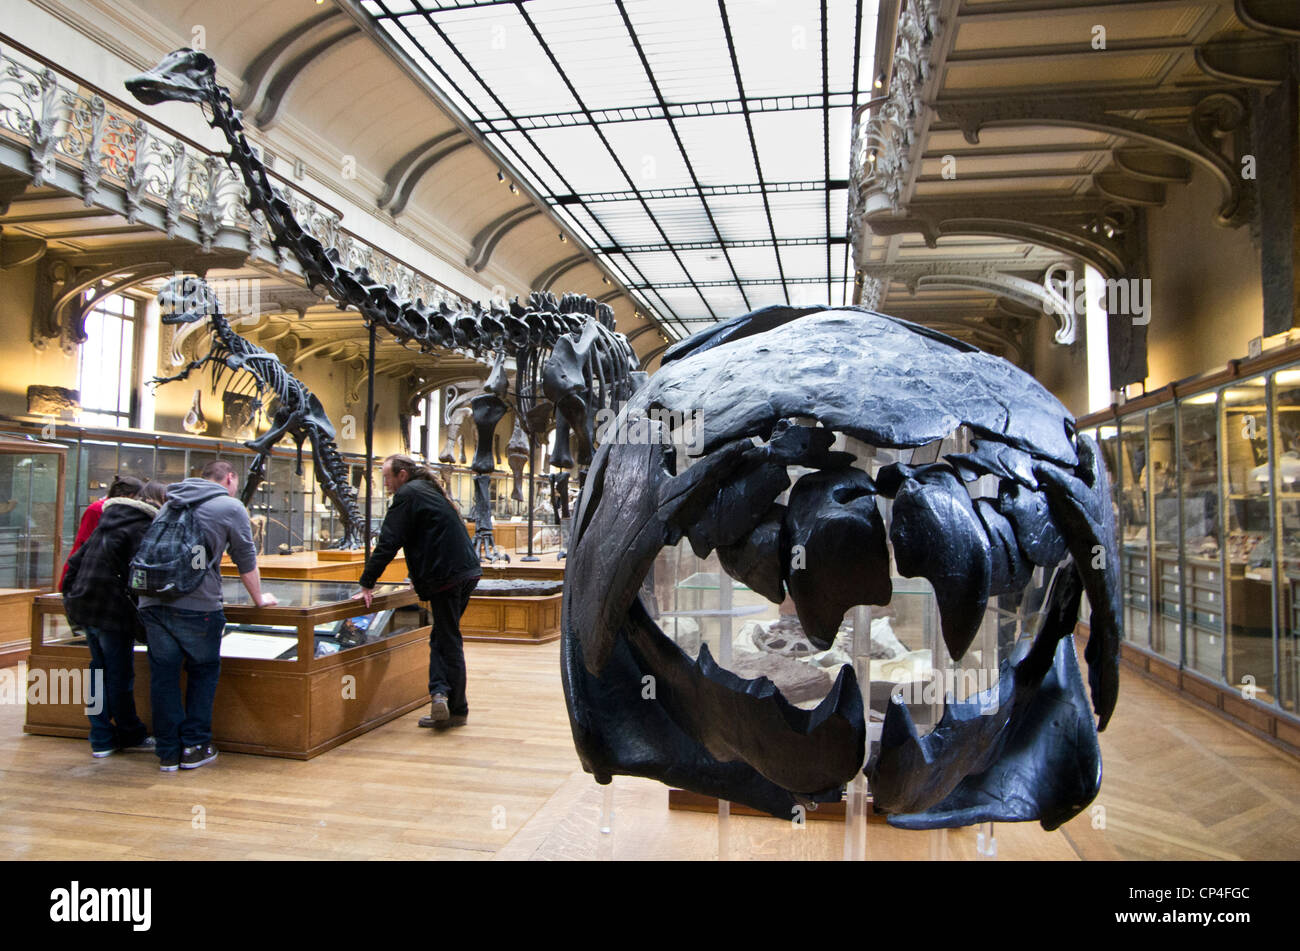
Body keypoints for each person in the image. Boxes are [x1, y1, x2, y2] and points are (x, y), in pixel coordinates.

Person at [137, 460, 276, 772]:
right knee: (202, 671)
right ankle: (195, 746)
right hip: (196, 604)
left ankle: (168, 752)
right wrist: (258, 598)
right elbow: (245, 556)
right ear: (229, 478)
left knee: (164, 676)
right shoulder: (229, 505)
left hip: (153, 601)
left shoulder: (170, 502)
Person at [357, 454, 480, 729]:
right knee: (443, 636)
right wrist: (416, 573)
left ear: (402, 475)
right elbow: (427, 534)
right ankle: (440, 695)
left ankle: (456, 707)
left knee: (447, 639)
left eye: (388, 477)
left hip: (448, 576)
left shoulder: (408, 494)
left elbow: (389, 541)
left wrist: (367, 582)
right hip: (463, 572)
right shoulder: (425, 490)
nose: (386, 483)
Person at [61, 480, 167, 758]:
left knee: (98, 672)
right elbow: (141, 575)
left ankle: (100, 737)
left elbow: (74, 563)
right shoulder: (142, 527)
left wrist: (73, 598)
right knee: (119, 674)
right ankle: (130, 733)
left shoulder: (108, 520)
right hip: (112, 612)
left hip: (87, 608)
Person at [59, 475, 144, 588]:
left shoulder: (126, 511)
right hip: (94, 571)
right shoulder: (97, 509)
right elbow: (82, 542)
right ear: (131, 496)